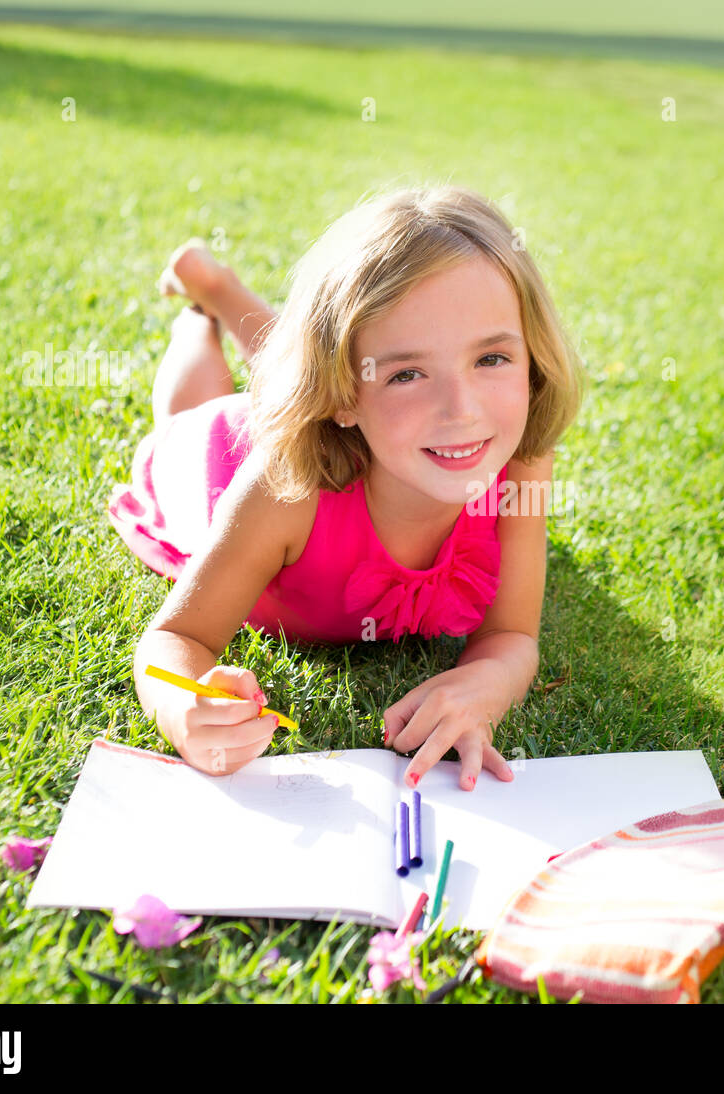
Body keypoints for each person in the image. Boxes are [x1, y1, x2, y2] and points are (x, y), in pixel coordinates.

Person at [108, 184, 586, 789]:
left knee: (301, 366)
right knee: (196, 408)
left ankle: (221, 287)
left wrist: (487, 683)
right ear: (341, 397)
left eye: (491, 359)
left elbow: (511, 634)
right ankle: (199, 315)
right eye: (407, 373)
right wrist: (184, 706)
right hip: (217, 458)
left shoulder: (521, 462)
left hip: (334, 406)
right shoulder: (283, 493)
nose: (461, 410)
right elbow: (175, 639)